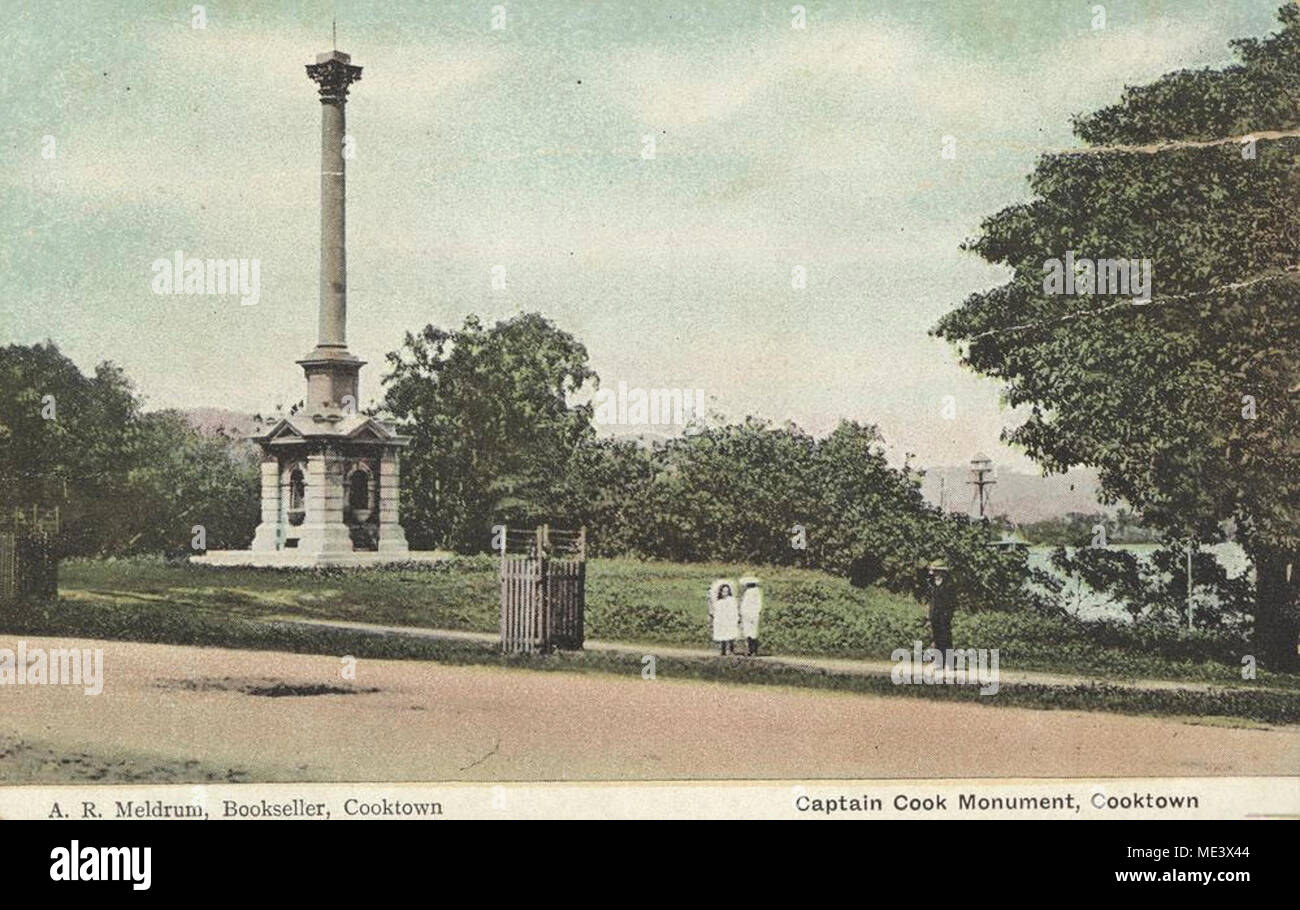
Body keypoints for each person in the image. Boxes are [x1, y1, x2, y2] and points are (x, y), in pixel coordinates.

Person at [926, 561, 955, 665]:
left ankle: (949, 662)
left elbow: (952, 602)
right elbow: (931, 600)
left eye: (935, 571)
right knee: (936, 637)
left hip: (944, 615)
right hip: (935, 614)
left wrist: (948, 614)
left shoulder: (948, 584)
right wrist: (930, 615)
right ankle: (939, 661)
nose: (933, 573)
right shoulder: (932, 584)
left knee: (945, 638)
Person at [708, 579, 739, 655]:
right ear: (721, 592)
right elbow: (715, 611)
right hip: (722, 620)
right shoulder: (718, 602)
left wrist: (735, 618)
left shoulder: (732, 600)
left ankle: (731, 650)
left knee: (731, 634)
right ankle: (723, 650)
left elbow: (734, 610)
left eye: (727, 592)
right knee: (722, 635)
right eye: (723, 592)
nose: (725, 593)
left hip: (729, 619)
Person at [738, 576, 762, 656]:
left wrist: (755, 612)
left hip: (752, 613)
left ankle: (753, 650)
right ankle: (750, 650)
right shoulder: (748, 592)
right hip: (747, 613)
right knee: (748, 632)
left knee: (752, 632)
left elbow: (757, 604)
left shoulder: (755, 592)